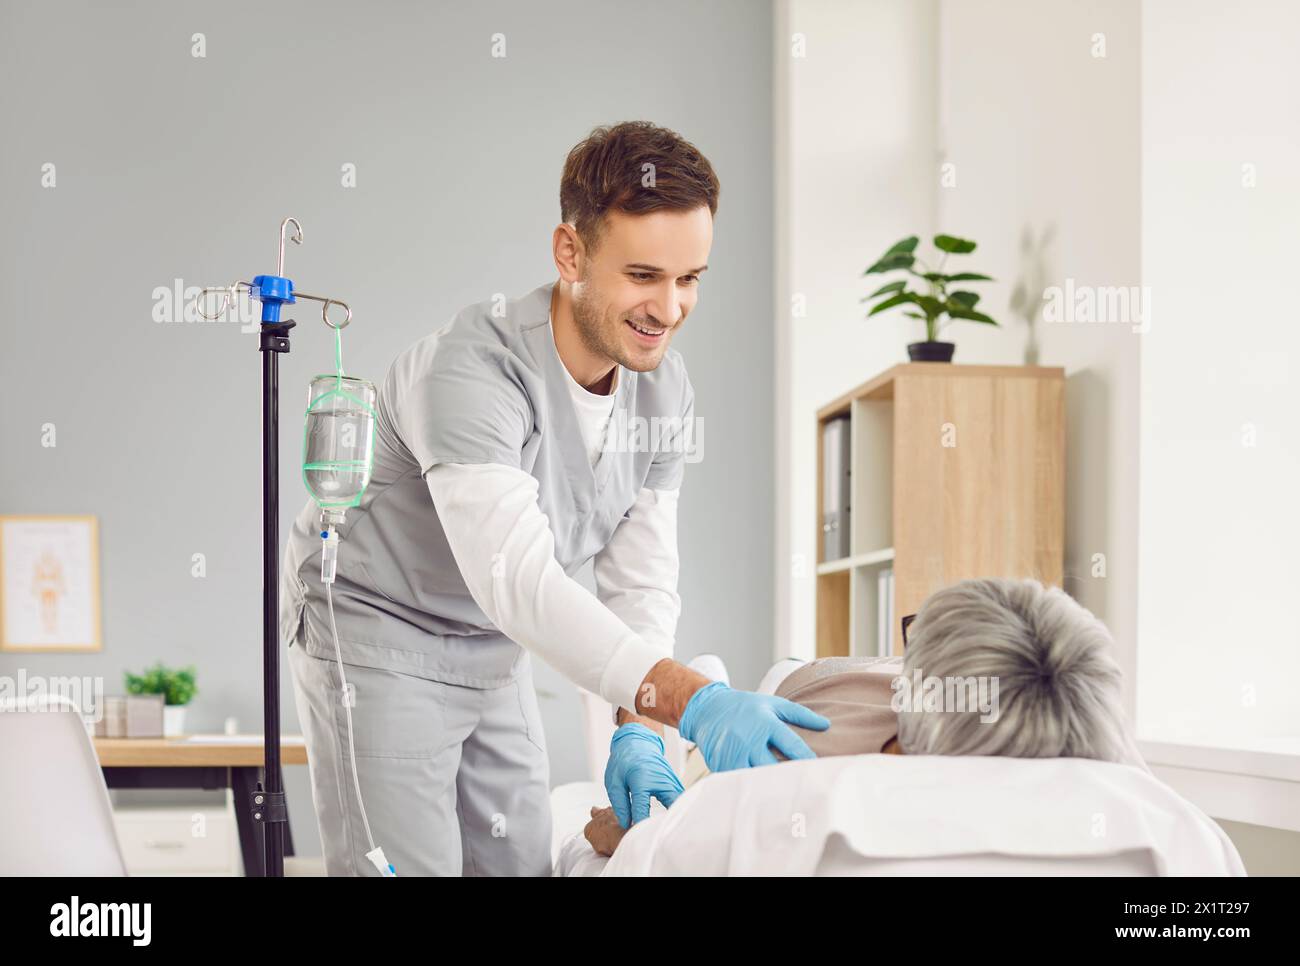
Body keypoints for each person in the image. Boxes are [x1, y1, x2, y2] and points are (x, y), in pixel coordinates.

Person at [279, 120, 830, 876]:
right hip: (383, 631)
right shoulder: (471, 372)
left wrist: (639, 725)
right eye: (643, 275)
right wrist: (691, 701)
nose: (669, 309)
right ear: (570, 253)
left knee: (516, 863)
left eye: (690, 278)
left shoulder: (664, 391)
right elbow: (520, 581)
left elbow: (640, 580)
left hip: (492, 646)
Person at [580, 577, 1148, 858]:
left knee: (704, 758)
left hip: (781, 709)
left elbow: (652, 843)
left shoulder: (812, 790)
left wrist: (626, 830)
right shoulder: (1124, 782)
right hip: (801, 688)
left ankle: (709, 698)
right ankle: (711, 688)